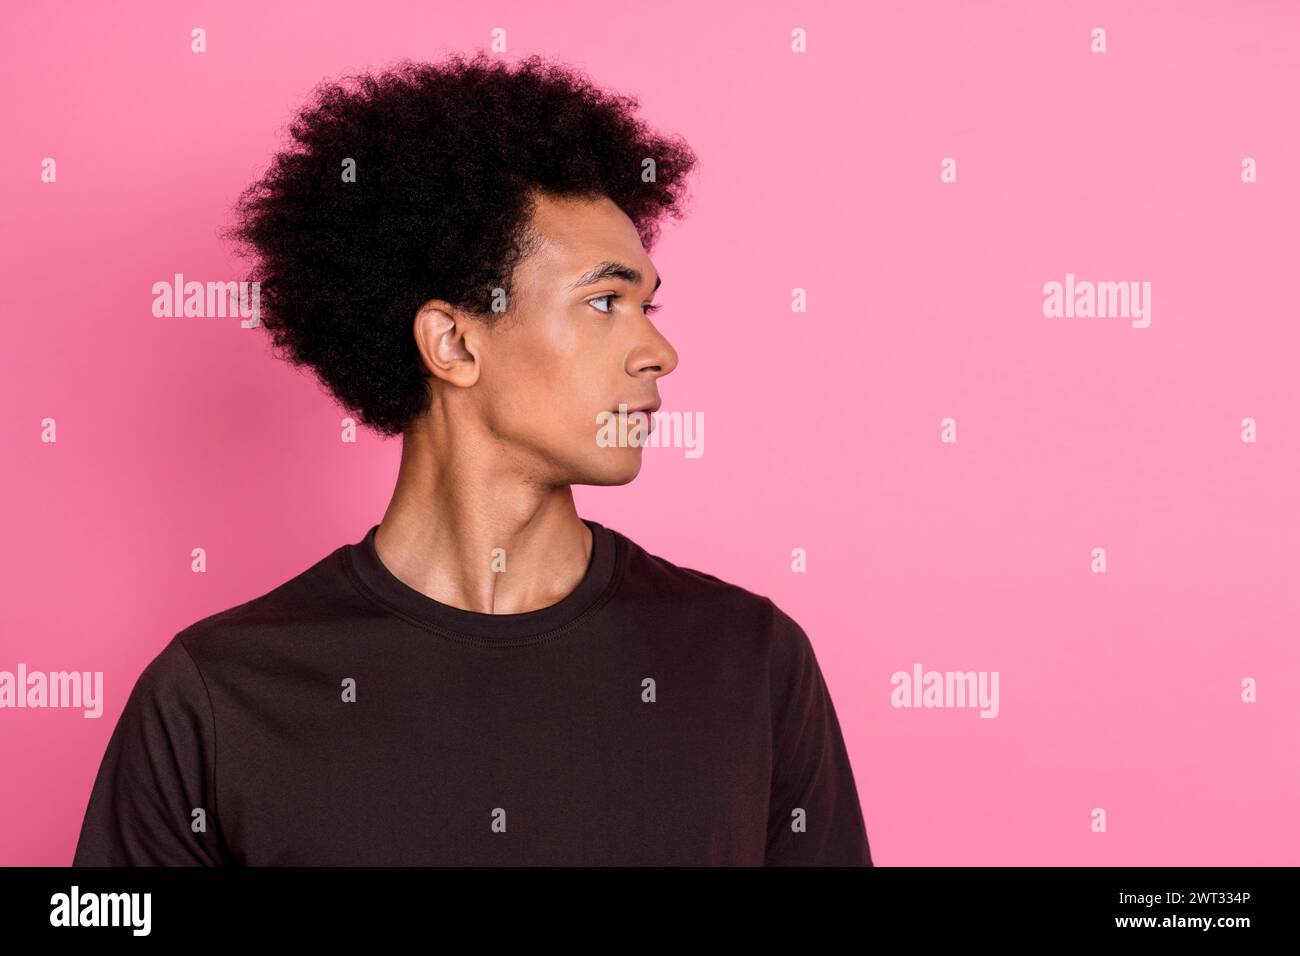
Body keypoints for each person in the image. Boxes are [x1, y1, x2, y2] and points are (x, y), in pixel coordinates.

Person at [72, 51, 872, 866]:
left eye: (647, 305)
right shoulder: (216, 696)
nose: (659, 351)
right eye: (604, 302)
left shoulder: (748, 664)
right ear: (453, 342)